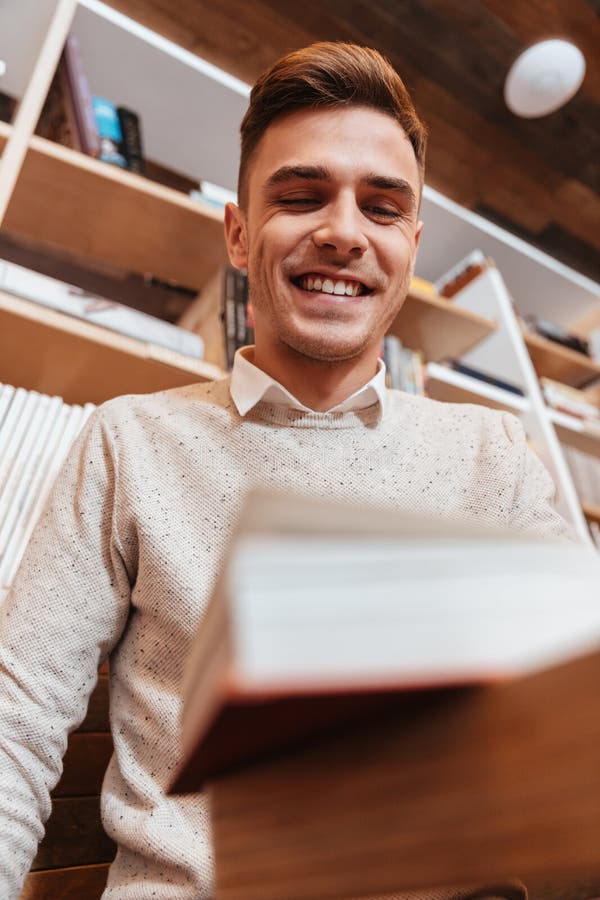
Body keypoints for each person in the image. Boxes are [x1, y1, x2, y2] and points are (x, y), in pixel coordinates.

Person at [0, 41, 571, 900]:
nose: (342, 232)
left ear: (410, 248)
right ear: (238, 234)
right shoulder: (129, 443)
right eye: (302, 196)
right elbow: (17, 722)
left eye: (383, 209)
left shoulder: (497, 459)